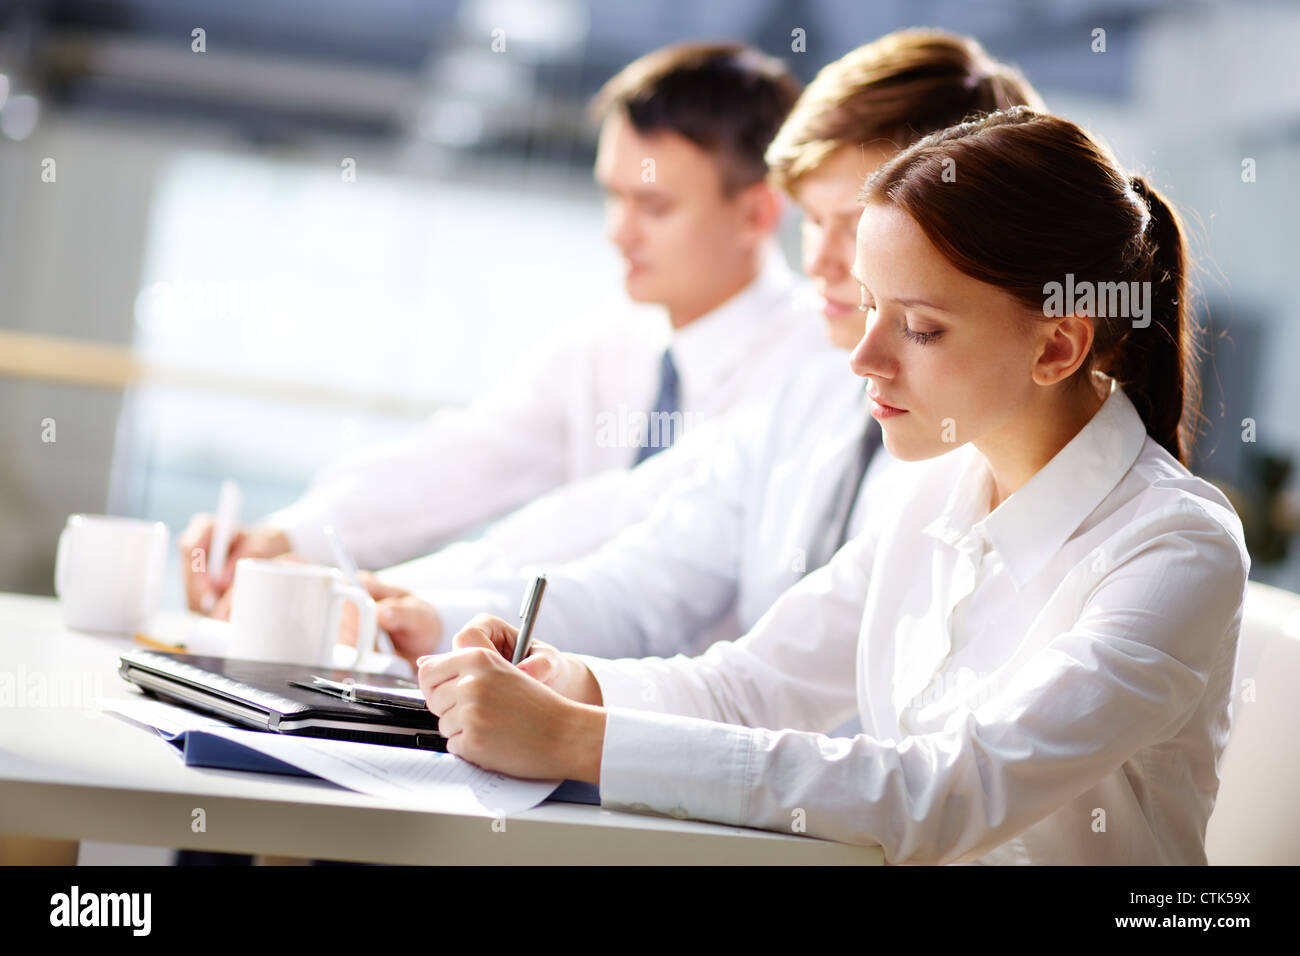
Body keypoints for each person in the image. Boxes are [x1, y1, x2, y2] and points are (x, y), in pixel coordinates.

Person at [411, 107, 1251, 866]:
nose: (863, 356)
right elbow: (750, 688)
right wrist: (569, 686)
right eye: (867, 306)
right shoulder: (941, 493)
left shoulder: (1174, 547)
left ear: (1058, 347)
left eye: (919, 327)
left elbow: (949, 791)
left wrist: (580, 744)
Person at [364, 30, 1047, 670]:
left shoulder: (988, 454)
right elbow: (647, 576)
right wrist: (429, 614)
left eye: (862, 226)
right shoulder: (813, 394)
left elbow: (806, 701)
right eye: (813, 221)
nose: (827, 260)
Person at [178, 41, 823, 617]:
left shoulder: (813, 363)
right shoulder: (610, 344)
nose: (618, 232)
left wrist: (403, 597)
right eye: (612, 196)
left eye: (653, 205)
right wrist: (289, 538)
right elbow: (464, 458)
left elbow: (623, 523)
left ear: (757, 212)